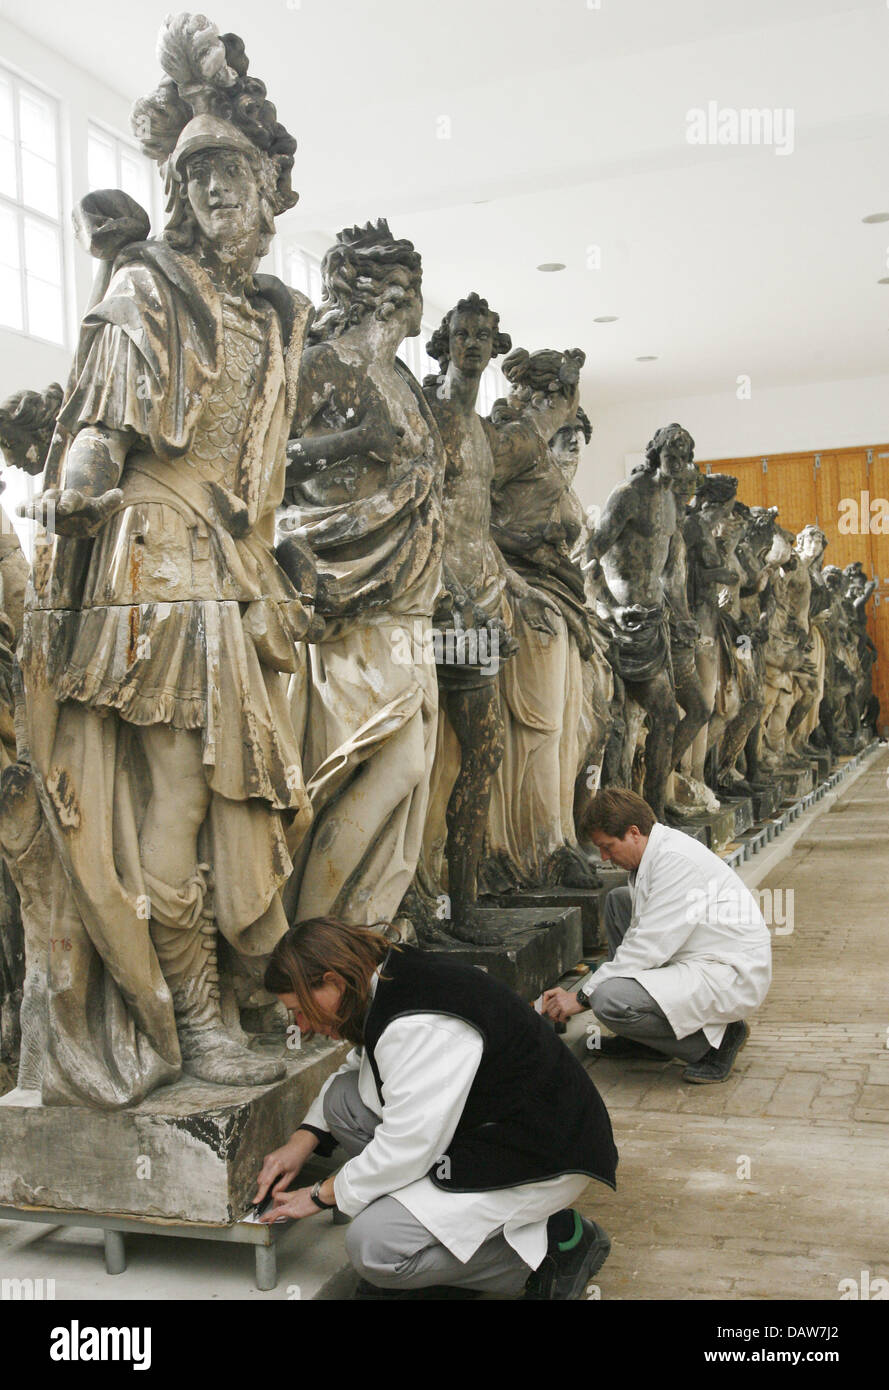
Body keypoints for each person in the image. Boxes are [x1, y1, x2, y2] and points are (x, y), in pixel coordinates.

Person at [253, 917, 617, 1299]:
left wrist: (317, 1195)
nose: (301, 1025)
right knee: (341, 1100)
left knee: (373, 1247)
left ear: (332, 981)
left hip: (537, 1152)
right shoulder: (385, 977)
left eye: (301, 1008)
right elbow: (362, 1067)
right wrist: (303, 1140)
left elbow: (405, 1148)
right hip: (491, 1130)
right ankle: (439, 1254)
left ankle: (556, 1248)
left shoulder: (418, 1023)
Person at [543, 788, 771, 1084]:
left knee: (608, 1000)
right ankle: (646, 1039)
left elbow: (648, 946)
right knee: (619, 901)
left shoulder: (677, 861)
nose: (604, 857)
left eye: (608, 847)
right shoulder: (655, 853)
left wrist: (582, 996)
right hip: (695, 952)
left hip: (729, 971)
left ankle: (715, 1043)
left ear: (634, 833)